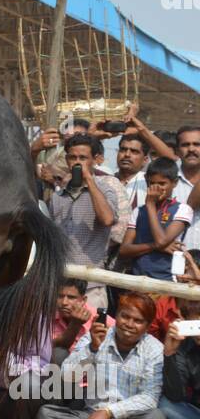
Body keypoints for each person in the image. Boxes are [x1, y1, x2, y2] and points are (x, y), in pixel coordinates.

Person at [37, 293, 166, 419]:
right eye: (125, 316)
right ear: (116, 316)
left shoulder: (154, 349)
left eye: (138, 321)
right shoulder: (94, 336)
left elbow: (149, 397)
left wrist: (109, 412)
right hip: (89, 417)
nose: (129, 324)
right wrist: (92, 349)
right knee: (46, 415)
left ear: (147, 326)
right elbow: (67, 375)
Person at [49, 134, 119, 310]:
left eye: (83, 158)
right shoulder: (57, 197)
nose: (77, 162)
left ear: (95, 160)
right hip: (60, 288)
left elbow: (107, 219)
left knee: (90, 336)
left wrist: (89, 180)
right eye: (73, 157)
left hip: (91, 288)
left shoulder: (106, 190)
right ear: (66, 160)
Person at [118, 157, 193, 280]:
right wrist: (155, 246)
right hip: (138, 279)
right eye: (152, 183)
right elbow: (124, 250)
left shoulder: (183, 210)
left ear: (174, 183)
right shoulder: (139, 211)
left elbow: (161, 241)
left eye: (162, 184)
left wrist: (150, 206)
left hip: (166, 280)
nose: (156, 188)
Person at [159, 291, 200, 419]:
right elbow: (176, 396)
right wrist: (169, 354)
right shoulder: (185, 347)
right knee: (165, 405)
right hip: (196, 415)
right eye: (194, 323)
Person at [50, 278, 113, 364]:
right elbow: (51, 347)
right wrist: (75, 325)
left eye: (71, 297)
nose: (64, 302)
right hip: (58, 370)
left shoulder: (97, 317)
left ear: (83, 300)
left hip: (90, 369)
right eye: (60, 296)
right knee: (58, 353)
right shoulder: (47, 318)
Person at [173, 125, 200, 251]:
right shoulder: (165, 183)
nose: (191, 149)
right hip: (172, 261)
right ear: (177, 151)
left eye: (196, 144)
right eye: (185, 145)